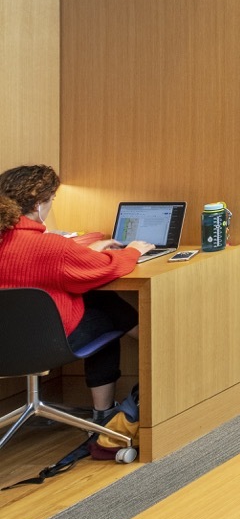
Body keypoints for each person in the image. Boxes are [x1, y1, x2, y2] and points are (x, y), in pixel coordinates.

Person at [0, 165, 151, 427]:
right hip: (47, 344)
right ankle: (105, 411)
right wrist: (134, 250)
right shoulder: (51, 248)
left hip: (5, 346)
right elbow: (110, 267)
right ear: (38, 205)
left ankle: (156, 348)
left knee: (98, 301)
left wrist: (85, 250)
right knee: (106, 313)